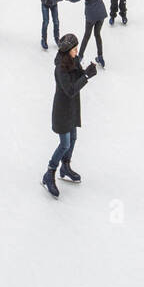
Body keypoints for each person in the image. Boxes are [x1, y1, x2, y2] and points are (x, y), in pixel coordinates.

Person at [41, 33, 97, 198]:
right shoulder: (60, 69)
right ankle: (49, 172)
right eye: (74, 48)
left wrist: (86, 72)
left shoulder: (74, 60)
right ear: (67, 51)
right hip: (62, 111)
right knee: (64, 144)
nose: (77, 51)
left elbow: (78, 77)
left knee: (73, 139)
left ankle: (65, 166)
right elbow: (70, 89)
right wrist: (86, 76)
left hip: (72, 108)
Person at [63, 0, 107, 66]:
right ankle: (100, 57)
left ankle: (80, 57)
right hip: (101, 13)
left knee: (87, 36)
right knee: (97, 34)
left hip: (91, 15)